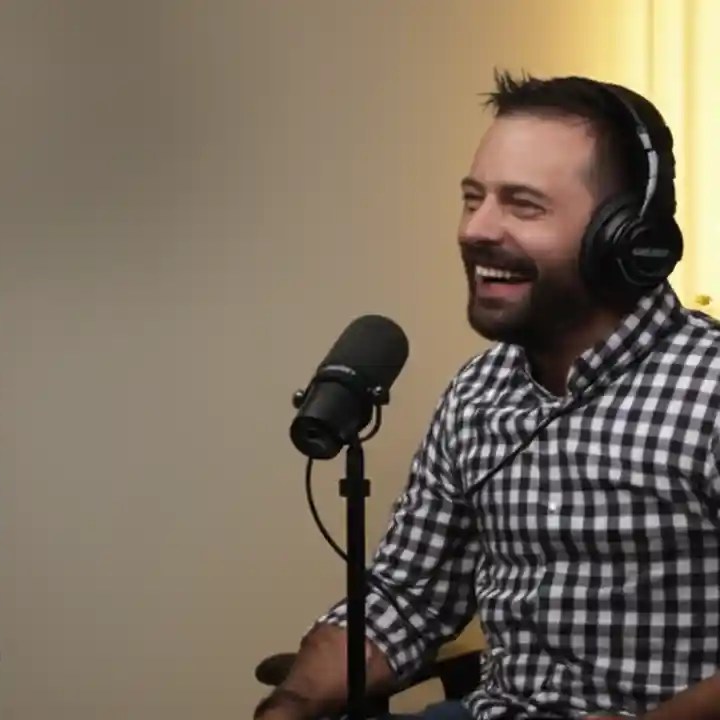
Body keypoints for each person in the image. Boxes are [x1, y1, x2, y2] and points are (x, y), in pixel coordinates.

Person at [254, 72, 720, 720]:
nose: (476, 229)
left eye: (523, 205)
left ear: (627, 238)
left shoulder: (709, 391)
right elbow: (405, 600)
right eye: (473, 199)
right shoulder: (477, 392)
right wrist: (289, 706)